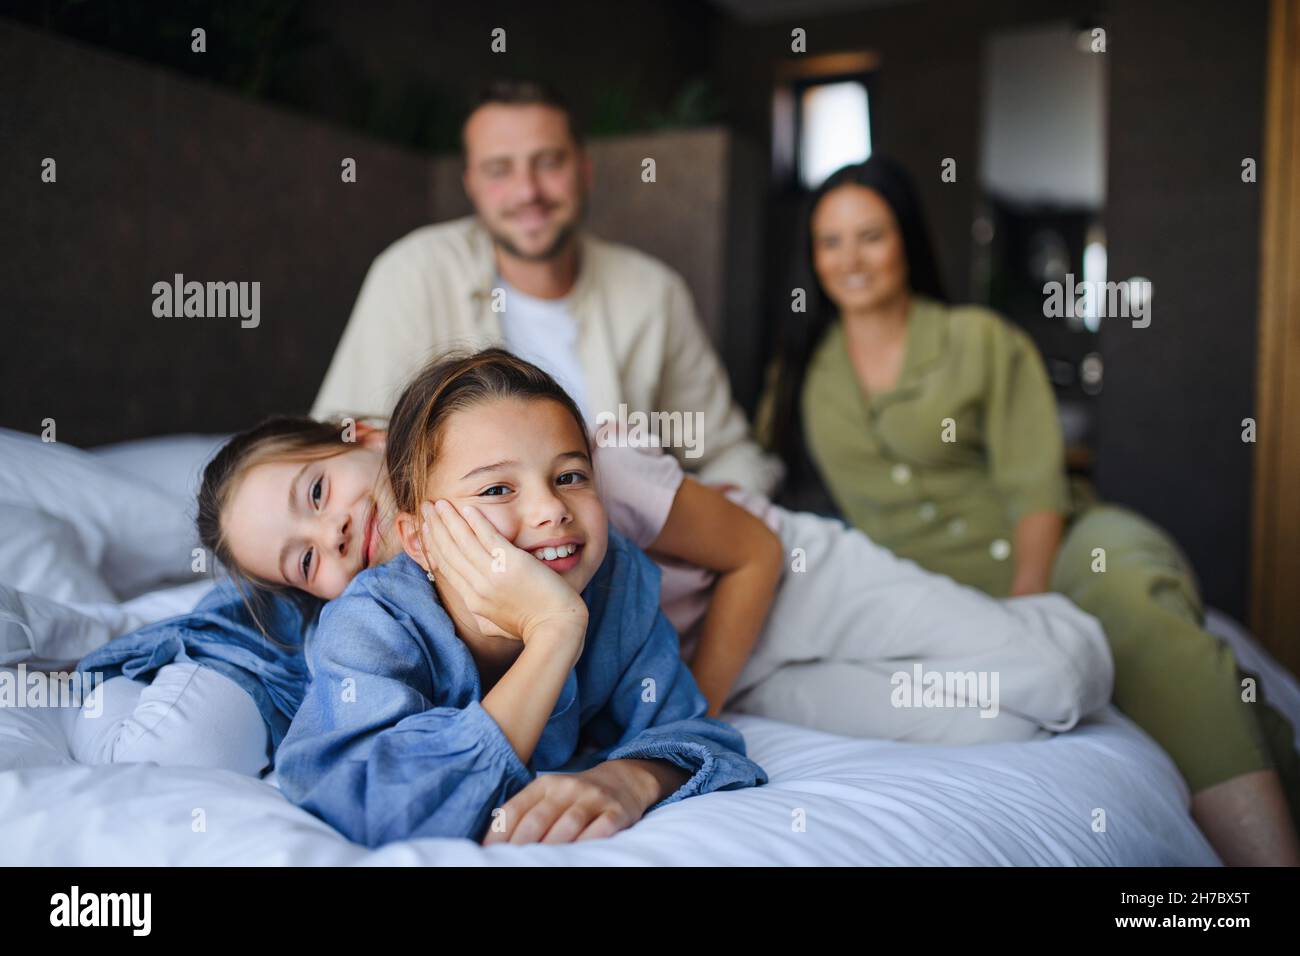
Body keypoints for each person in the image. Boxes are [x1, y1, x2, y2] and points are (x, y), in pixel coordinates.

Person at [74, 347, 1111, 778]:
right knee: (988, 718)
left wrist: (684, 719)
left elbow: (749, 551)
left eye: (316, 496)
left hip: (783, 581)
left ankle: (1058, 619)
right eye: (302, 562)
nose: (332, 539)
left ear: (355, 435)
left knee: (1053, 678)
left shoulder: (559, 467)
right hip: (723, 672)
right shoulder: (406, 601)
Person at [757, 155, 1300, 866]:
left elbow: (1036, 488)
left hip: (1066, 546)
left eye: (871, 236)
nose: (850, 259)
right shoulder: (803, 372)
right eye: (830, 241)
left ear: (907, 242)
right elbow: (758, 472)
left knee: (1141, 613)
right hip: (936, 590)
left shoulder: (980, 341)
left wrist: (1028, 611)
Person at [275, 350, 766, 845]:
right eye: (496, 489)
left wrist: (631, 778)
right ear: (420, 539)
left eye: (570, 477)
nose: (551, 509)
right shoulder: (369, 626)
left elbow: (692, 730)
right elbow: (378, 807)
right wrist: (553, 632)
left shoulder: (617, 576)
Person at [311, 79, 780, 495]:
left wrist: (718, 532)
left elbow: (728, 452)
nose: (527, 191)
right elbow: (342, 446)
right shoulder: (411, 273)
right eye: (500, 170)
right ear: (472, 184)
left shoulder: (653, 292)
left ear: (584, 169)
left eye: (548, 162)